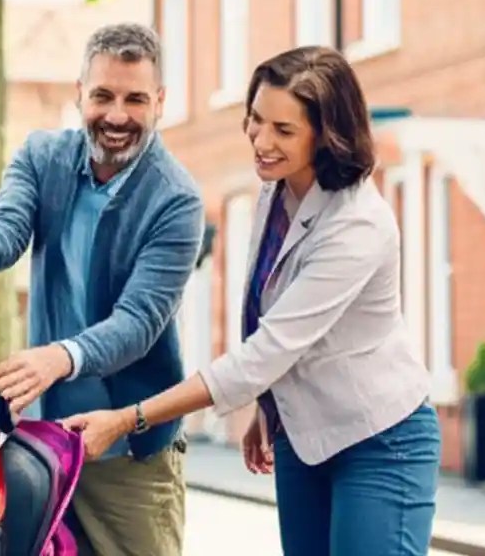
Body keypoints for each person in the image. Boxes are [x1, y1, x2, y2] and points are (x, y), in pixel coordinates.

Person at [62, 46, 441, 556]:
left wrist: (126, 418)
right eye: (256, 120)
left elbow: (266, 350)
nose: (261, 142)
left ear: (326, 136)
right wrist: (269, 406)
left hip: (379, 439)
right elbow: (264, 305)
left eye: (283, 131)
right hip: (303, 440)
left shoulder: (357, 226)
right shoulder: (277, 189)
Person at [0, 23, 204, 556]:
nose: (116, 116)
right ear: (79, 94)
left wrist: (57, 358)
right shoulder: (44, 156)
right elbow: (8, 228)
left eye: (135, 99)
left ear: (159, 102)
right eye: (103, 95)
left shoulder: (176, 201)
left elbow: (138, 323)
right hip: (45, 444)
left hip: (129, 458)